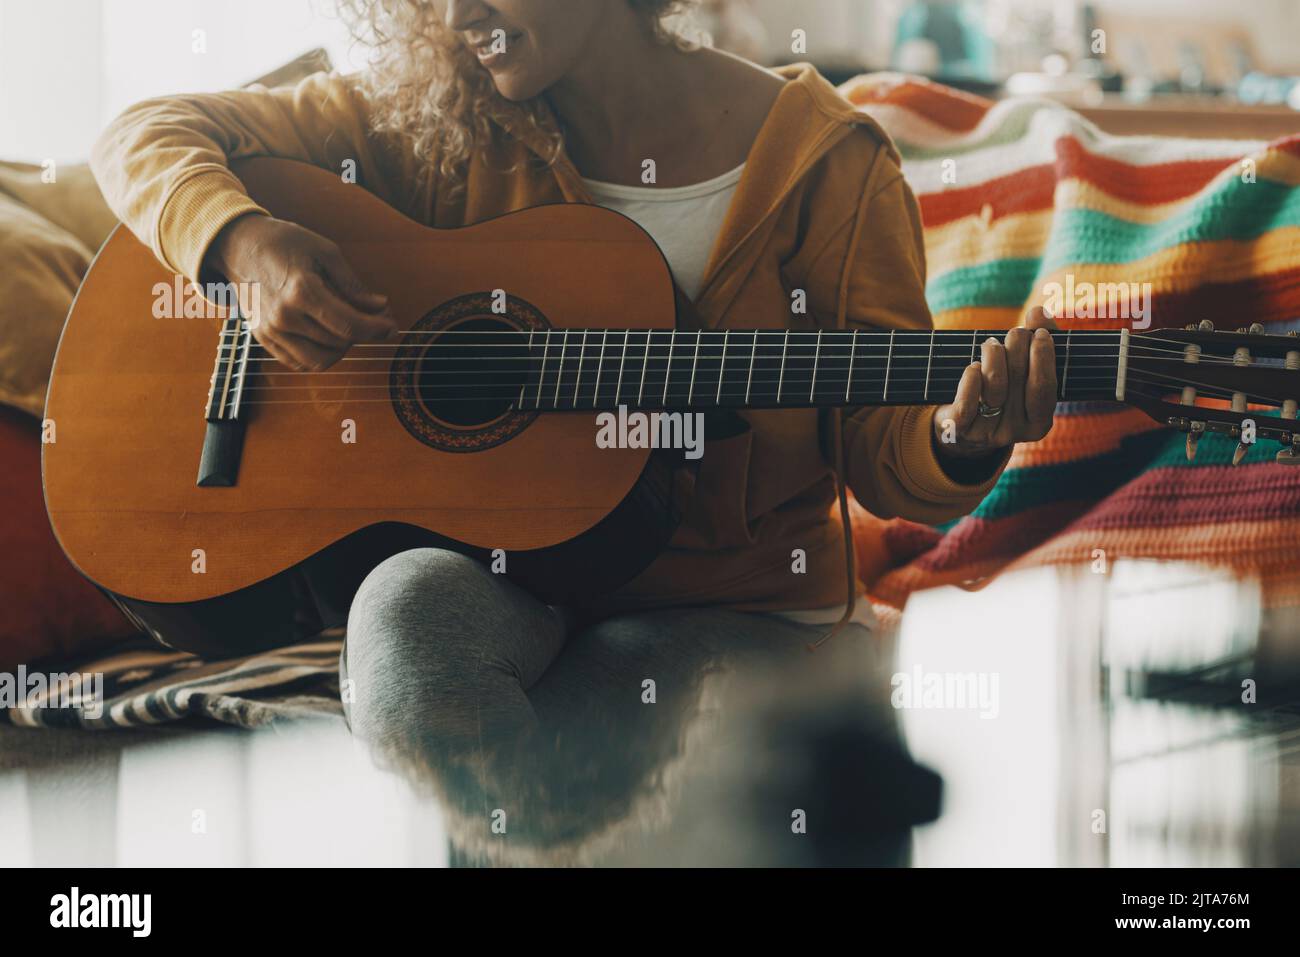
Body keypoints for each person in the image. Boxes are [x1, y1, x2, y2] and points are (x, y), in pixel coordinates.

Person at [91, 0, 1056, 804]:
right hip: (507, 579)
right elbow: (141, 135)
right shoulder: (440, 111)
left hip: (729, 604)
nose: (458, 14)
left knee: (611, 737)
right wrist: (243, 246)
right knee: (402, 617)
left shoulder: (828, 165)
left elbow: (887, 449)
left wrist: (956, 434)